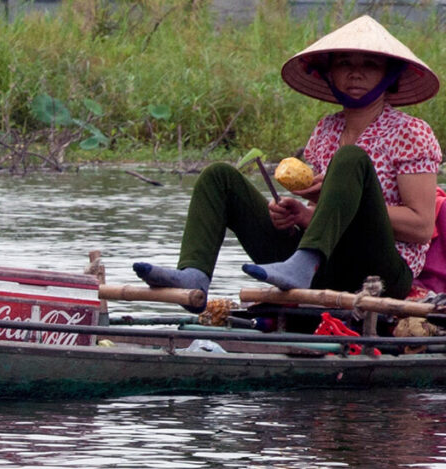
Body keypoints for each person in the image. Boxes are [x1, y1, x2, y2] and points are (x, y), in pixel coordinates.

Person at [133, 15, 441, 313]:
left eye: (370, 65)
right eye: (345, 63)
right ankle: (195, 275)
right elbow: (329, 216)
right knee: (219, 178)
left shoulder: (409, 132)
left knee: (351, 159)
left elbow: (421, 227)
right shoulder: (325, 131)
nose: (355, 73)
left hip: (380, 274)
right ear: (329, 73)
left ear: (390, 76)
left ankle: (304, 262)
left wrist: (345, 205)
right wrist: (304, 217)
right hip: (327, 265)